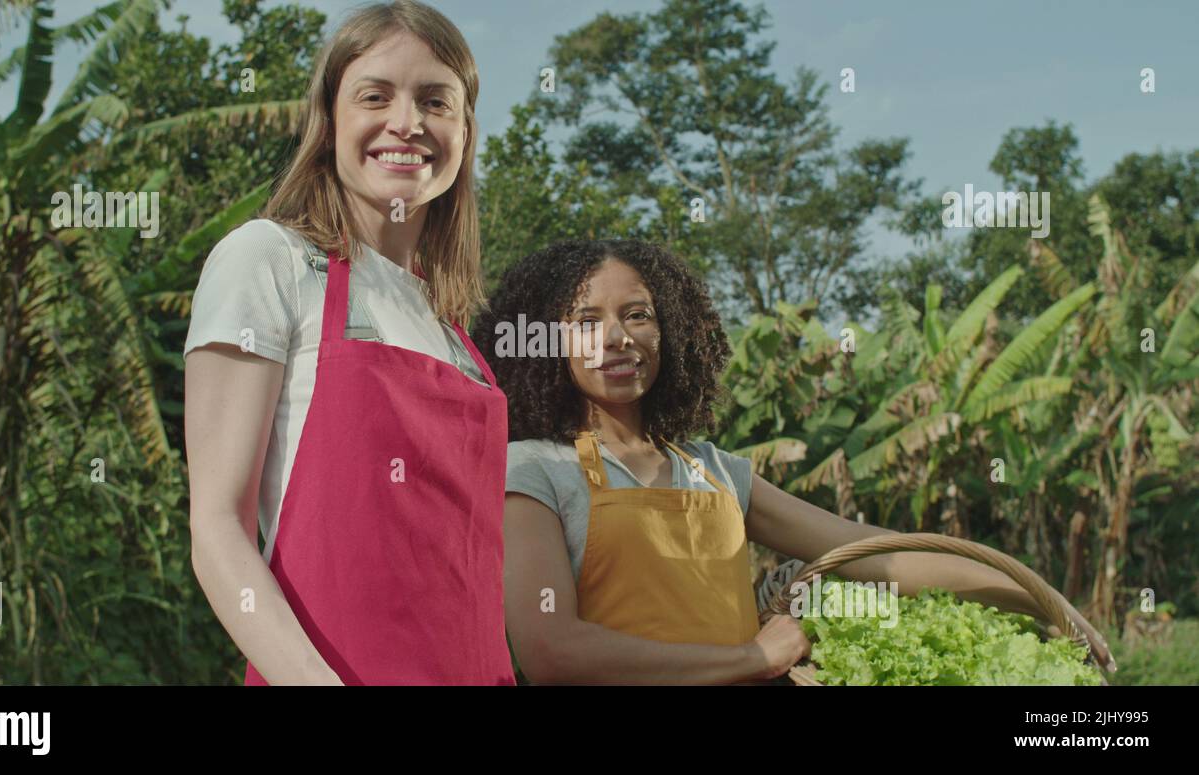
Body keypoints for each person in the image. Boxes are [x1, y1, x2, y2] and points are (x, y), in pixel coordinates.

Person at [473, 239, 1080, 685]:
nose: (617, 338)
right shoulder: (533, 471)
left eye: (638, 315)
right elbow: (553, 652)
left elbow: (882, 554)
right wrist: (752, 659)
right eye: (586, 322)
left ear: (671, 331)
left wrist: (1037, 595)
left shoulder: (714, 471)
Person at [184, 1, 513, 686]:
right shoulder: (269, 260)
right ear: (330, 121)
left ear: (466, 132)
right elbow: (218, 531)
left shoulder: (454, 333)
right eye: (375, 95)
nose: (408, 123)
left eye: (436, 101)